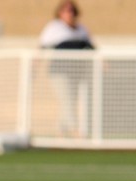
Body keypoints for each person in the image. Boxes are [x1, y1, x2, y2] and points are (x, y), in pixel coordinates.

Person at [39, 0, 95, 137]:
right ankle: (75, 130)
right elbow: (41, 47)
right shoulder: (54, 28)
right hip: (59, 71)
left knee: (70, 100)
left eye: (72, 11)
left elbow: (92, 47)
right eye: (66, 10)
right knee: (67, 99)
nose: (69, 14)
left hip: (76, 71)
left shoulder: (81, 29)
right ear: (60, 13)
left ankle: (60, 132)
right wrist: (34, 65)